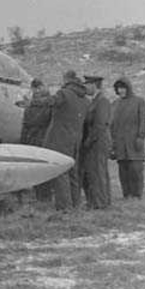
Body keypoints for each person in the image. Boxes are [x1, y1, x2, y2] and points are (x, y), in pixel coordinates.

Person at [41, 70, 88, 210]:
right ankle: (75, 204)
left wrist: (32, 102)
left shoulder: (64, 93)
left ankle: (64, 207)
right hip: (75, 142)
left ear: (67, 79)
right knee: (73, 173)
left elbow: (51, 101)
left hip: (60, 139)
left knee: (60, 172)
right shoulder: (84, 99)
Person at [110, 77, 145, 198]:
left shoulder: (139, 101)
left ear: (128, 88)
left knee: (136, 170)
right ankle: (126, 194)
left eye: (123, 88)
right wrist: (112, 142)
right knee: (123, 170)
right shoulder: (115, 104)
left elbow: (144, 120)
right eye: (118, 88)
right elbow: (111, 124)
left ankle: (137, 194)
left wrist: (141, 137)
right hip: (120, 143)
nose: (121, 91)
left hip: (134, 143)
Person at [78, 75, 113, 208]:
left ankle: (100, 203)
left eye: (87, 84)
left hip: (98, 142)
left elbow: (99, 125)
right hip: (96, 141)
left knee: (98, 172)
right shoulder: (95, 101)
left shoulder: (102, 101)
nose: (85, 87)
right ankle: (99, 202)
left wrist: (88, 141)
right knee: (96, 172)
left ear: (94, 85)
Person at [19, 77, 54, 201]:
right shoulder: (41, 103)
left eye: (38, 88)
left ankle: (43, 196)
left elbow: (28, 124)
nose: (37, 91)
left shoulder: (43, 103)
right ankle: (42, 195)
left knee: (41, 169)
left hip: (39, 139)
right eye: (35, 88)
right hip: (38, 139)